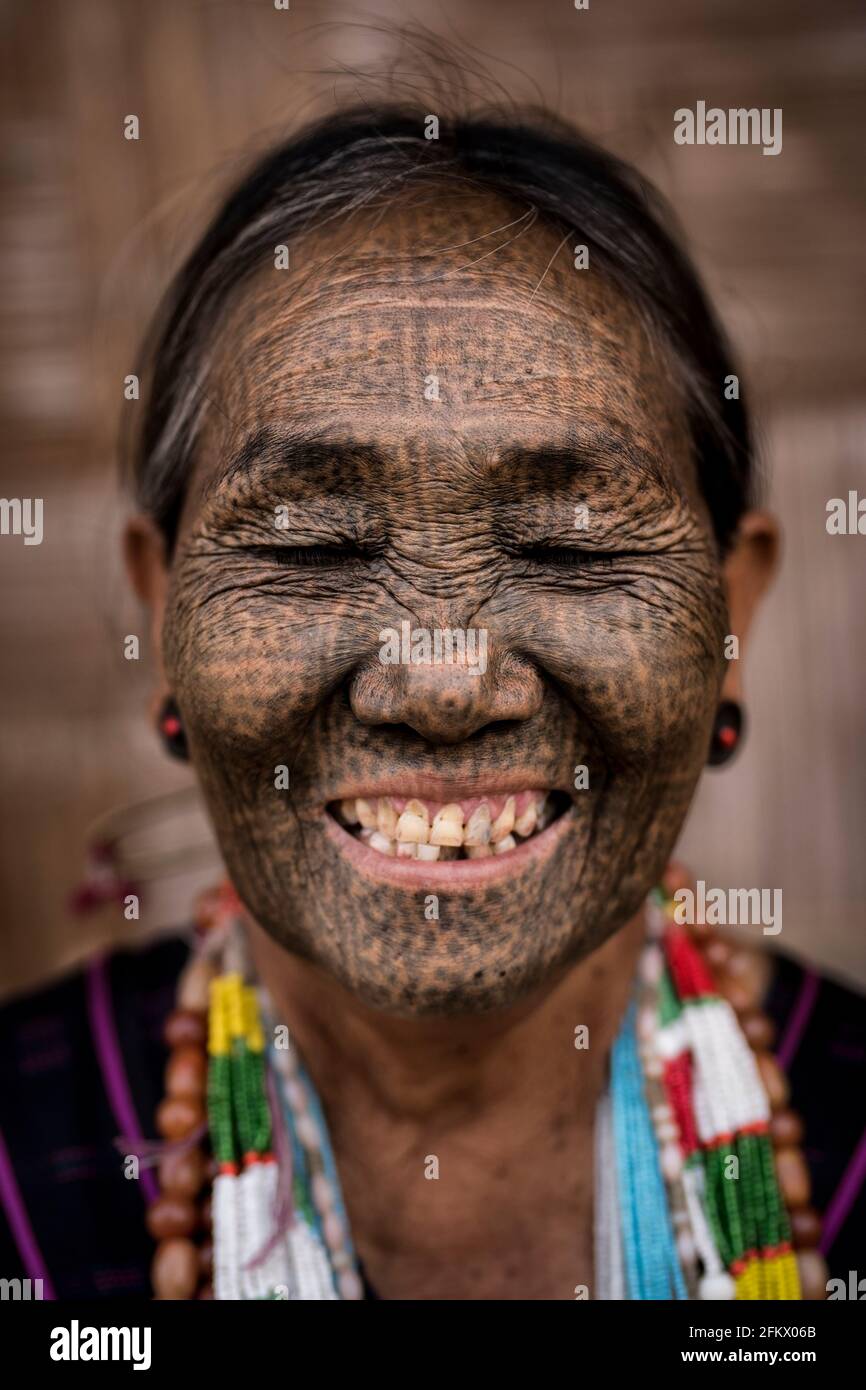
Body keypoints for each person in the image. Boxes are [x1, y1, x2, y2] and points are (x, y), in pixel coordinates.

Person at [1, 104, 862, 1301]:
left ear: (730, 620)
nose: (442, 682)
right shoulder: (23, 1158)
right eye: (312, 547)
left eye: (568, 547)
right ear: (162, 614)